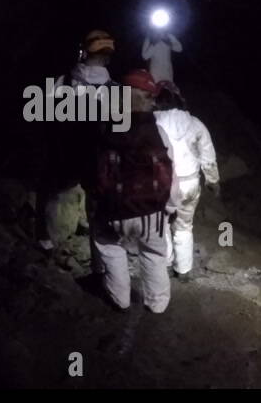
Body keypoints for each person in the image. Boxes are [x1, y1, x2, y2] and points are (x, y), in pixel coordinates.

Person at [85, 69, 180, 313]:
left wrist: (96, 201)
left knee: (109, 246)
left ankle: (120, 299)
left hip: (114, 209)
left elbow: (96, 170)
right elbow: (170, 173)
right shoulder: (158, 133)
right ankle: (157, 304)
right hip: (152, 214)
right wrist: (171, 207)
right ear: (148, 99)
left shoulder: (108, 130)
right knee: (154, 254)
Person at [36, 29, 118, 252]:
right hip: (94, 154)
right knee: (97, 202)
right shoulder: (113, 89)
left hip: (64, 150)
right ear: (107, 56)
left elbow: (45, 116)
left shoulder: (63, 80)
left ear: (83, 52)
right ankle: (101, 257)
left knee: (48, 188)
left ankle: (43, 236)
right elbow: (117, 125)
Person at [153, 81, 219, 280]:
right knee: (184, 226)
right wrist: (213, 181)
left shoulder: (153, 122)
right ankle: (183, 270)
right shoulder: (195, 123)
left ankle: (164, 263)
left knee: (161, 224)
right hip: (189, 183)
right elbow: (208, 156)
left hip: (163, 183)